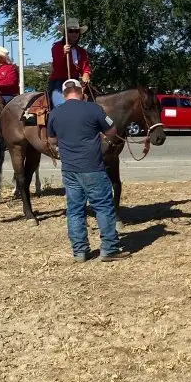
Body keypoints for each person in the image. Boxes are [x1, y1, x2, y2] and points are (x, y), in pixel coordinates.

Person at [47, 79, 130, 263]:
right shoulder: (94, 109)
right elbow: (112, 129)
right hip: (93, 167)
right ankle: (109, 249)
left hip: (69, 170)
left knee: (75, 210)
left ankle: (80, 252)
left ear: (63, 94)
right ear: (81, 90)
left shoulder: (54, 113)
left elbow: (52, 141)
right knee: (104, 208)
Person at [48, 18, 91, 107]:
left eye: (77, 31)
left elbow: (85, 65)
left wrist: (86, 73)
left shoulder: (82, 51)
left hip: (75, 81)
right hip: (59, 82)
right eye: (71, 31)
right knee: (60, 105)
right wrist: (63, 53)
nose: (74, 33)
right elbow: (57, 66)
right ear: (66, 33)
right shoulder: (57, 47)